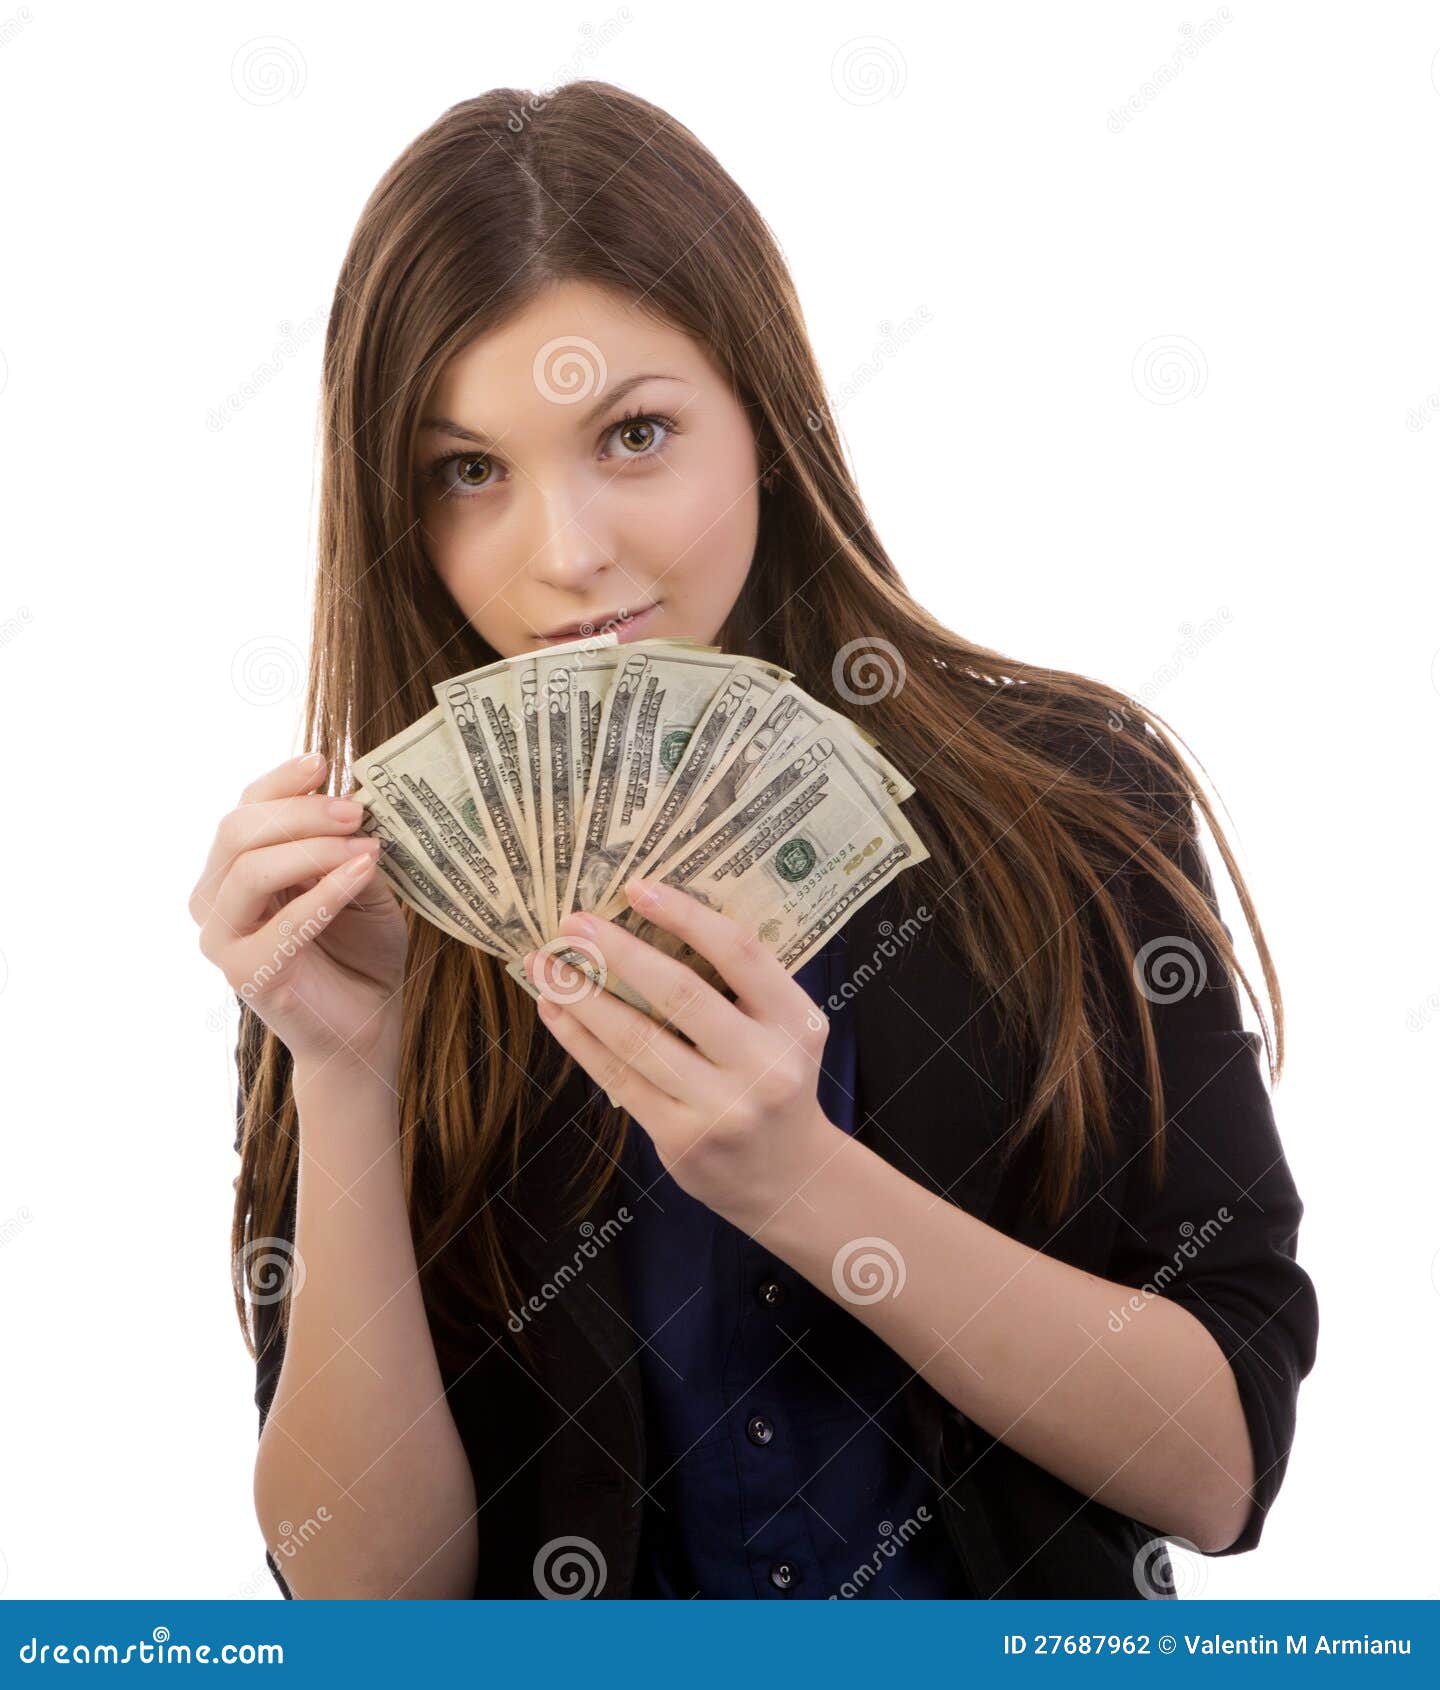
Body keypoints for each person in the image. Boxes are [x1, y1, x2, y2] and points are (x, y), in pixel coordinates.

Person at [190, 81, 1318, 1600]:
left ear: (767, 422)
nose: (567, 551)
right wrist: (344, 1067)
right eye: (469, 470)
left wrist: (802, 1183)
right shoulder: (370, 900)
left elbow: (1223, 1459)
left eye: (635, 433)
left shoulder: (1071, 803)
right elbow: (361, 1598)